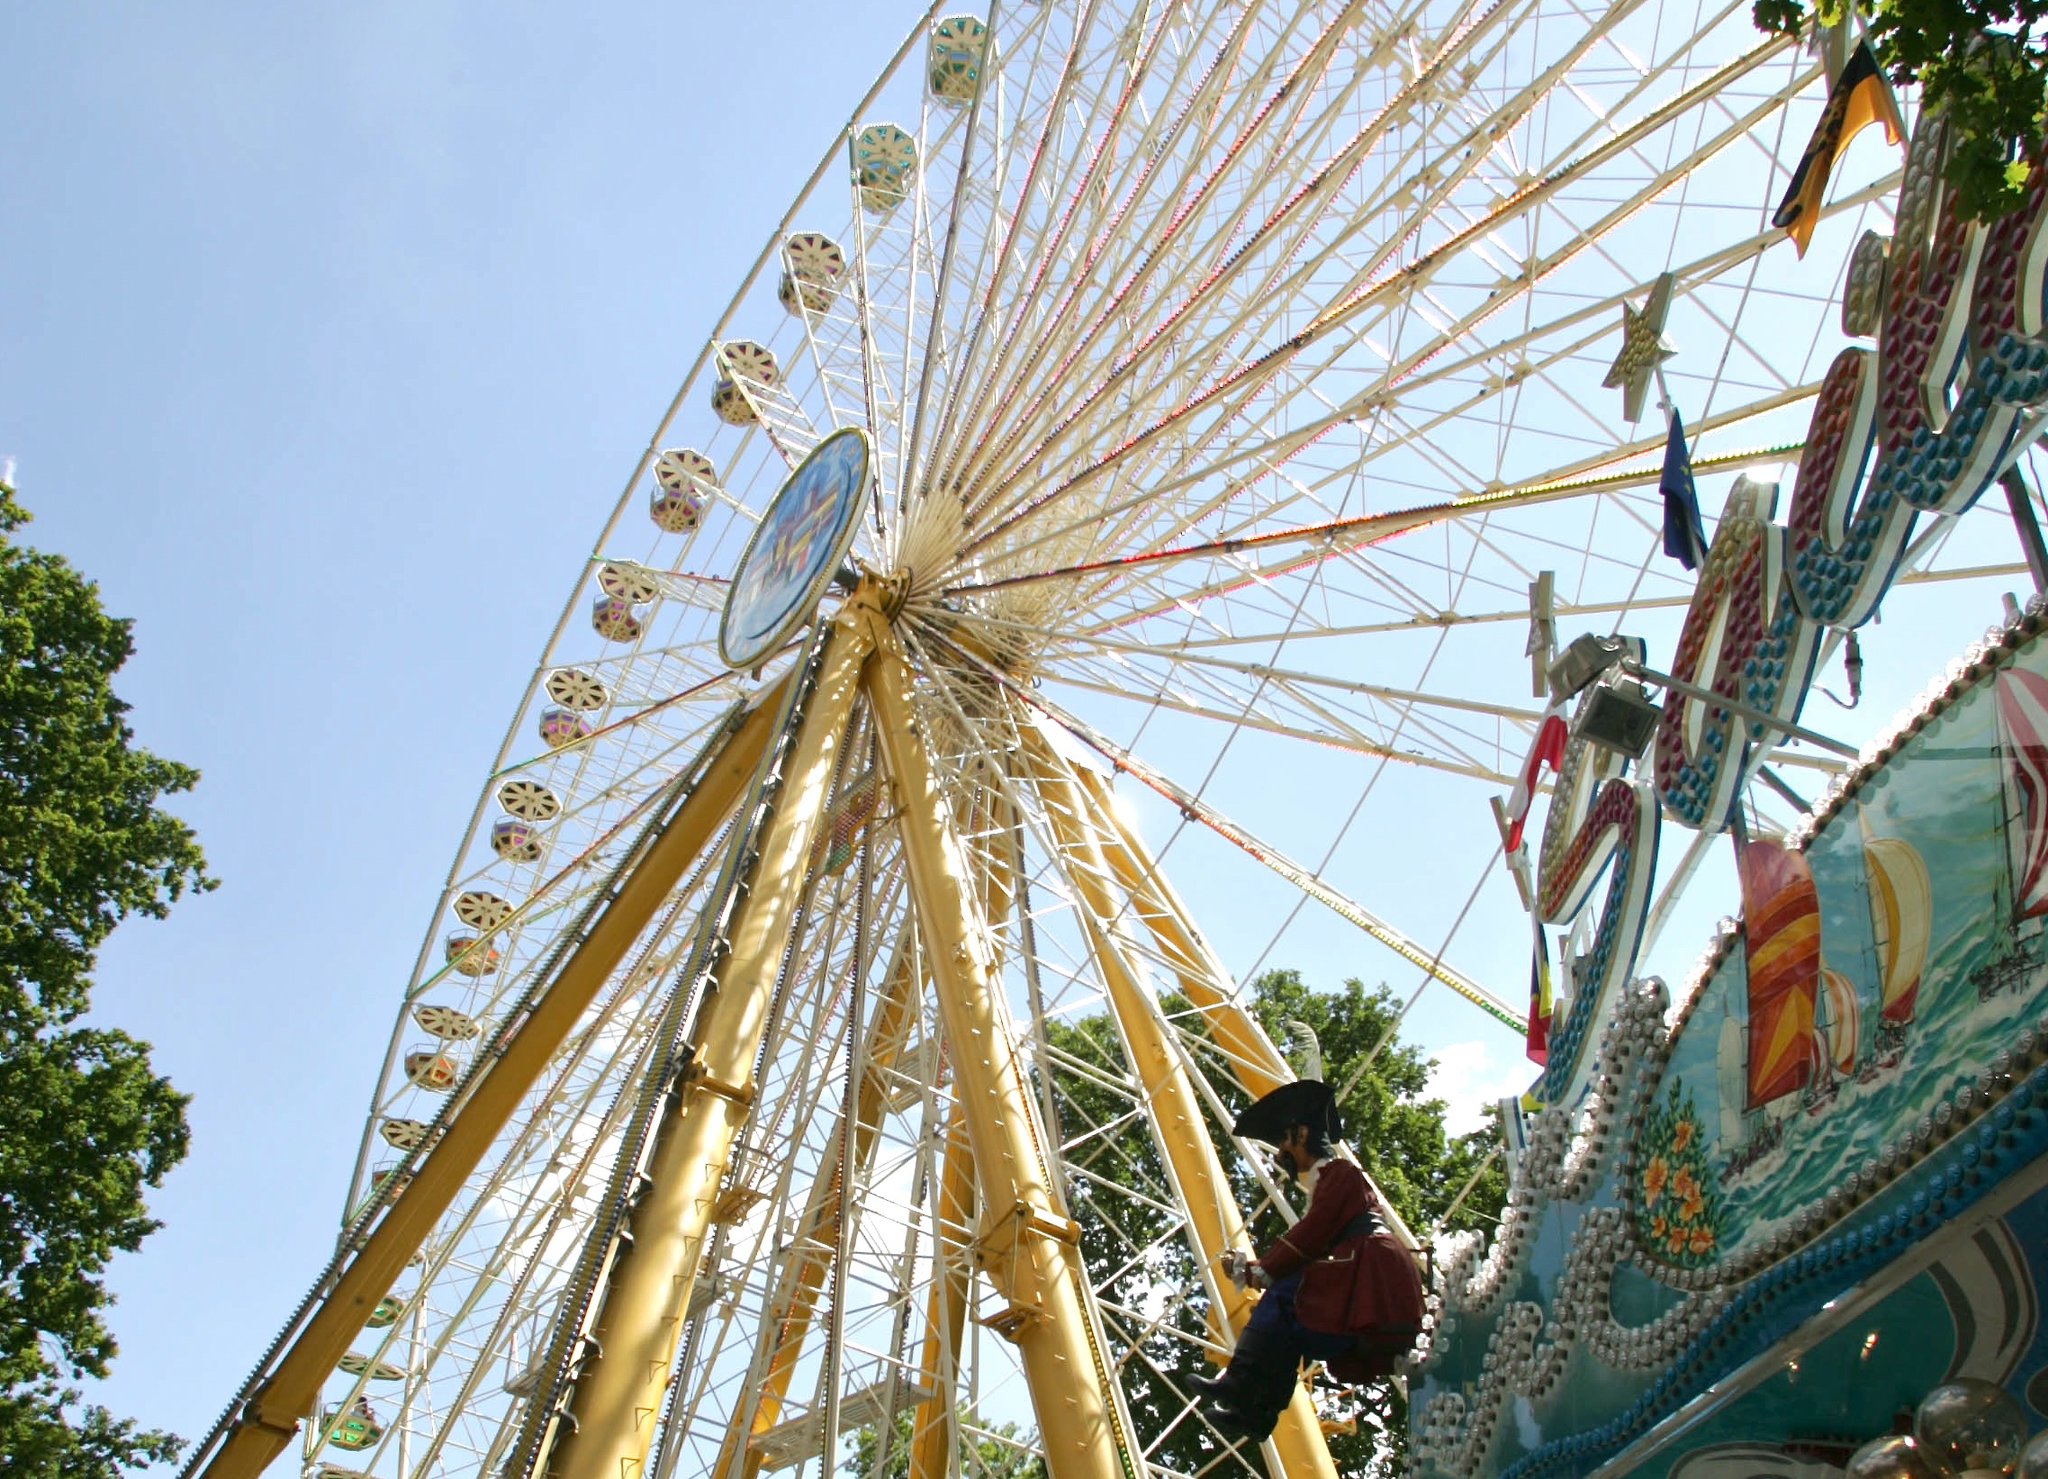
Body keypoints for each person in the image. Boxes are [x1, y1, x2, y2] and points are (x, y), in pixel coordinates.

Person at [1192, 1079, 1387, 1442]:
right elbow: (1312, 1241)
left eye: (1284, 1138)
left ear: (1302, 1133)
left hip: (1369, 1275)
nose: (1281, 1149)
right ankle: (1256, 1414)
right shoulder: (1328, 1182)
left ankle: (1239, 1381)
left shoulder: (1341, 1175)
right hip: (1357, 1277)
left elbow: (1312, 1235)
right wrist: (1256, 1270)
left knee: (1284, 1297)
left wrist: (1260, 1270)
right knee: (1287, 1328)